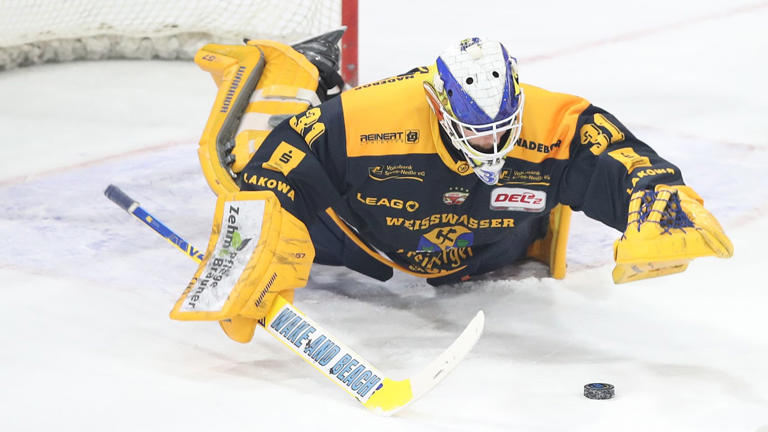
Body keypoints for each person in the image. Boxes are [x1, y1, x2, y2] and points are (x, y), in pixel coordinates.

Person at [170, 31, 733, 342]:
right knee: (235, 169)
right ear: (439, 107)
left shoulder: (556, 117)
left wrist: (664, 207)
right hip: (359, 238)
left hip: (489, 252)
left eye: (500, 132)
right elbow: (278, 163)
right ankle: (291, 68)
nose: (489, 147)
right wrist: (244, 253)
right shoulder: (371, 117)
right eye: (474, 132)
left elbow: (631, 161)